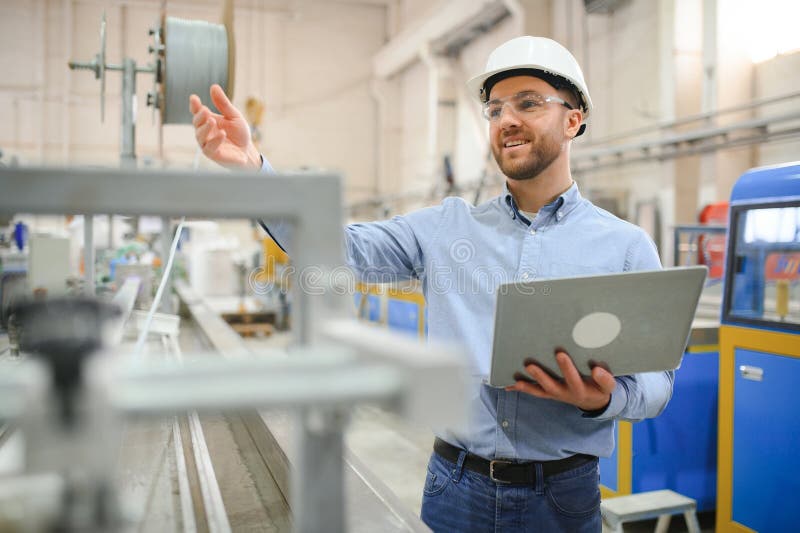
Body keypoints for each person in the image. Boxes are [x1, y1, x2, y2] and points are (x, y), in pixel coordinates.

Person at [190, 35, 673, 533]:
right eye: (495, 109)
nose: (506, 120)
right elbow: (340, 248)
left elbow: (657, 384)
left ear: (573, 120)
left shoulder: (625, 246)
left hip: (562, 498)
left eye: (528, 103)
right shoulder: (446, 227)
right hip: (456, 487)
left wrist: (602, 399)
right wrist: (255, 172)